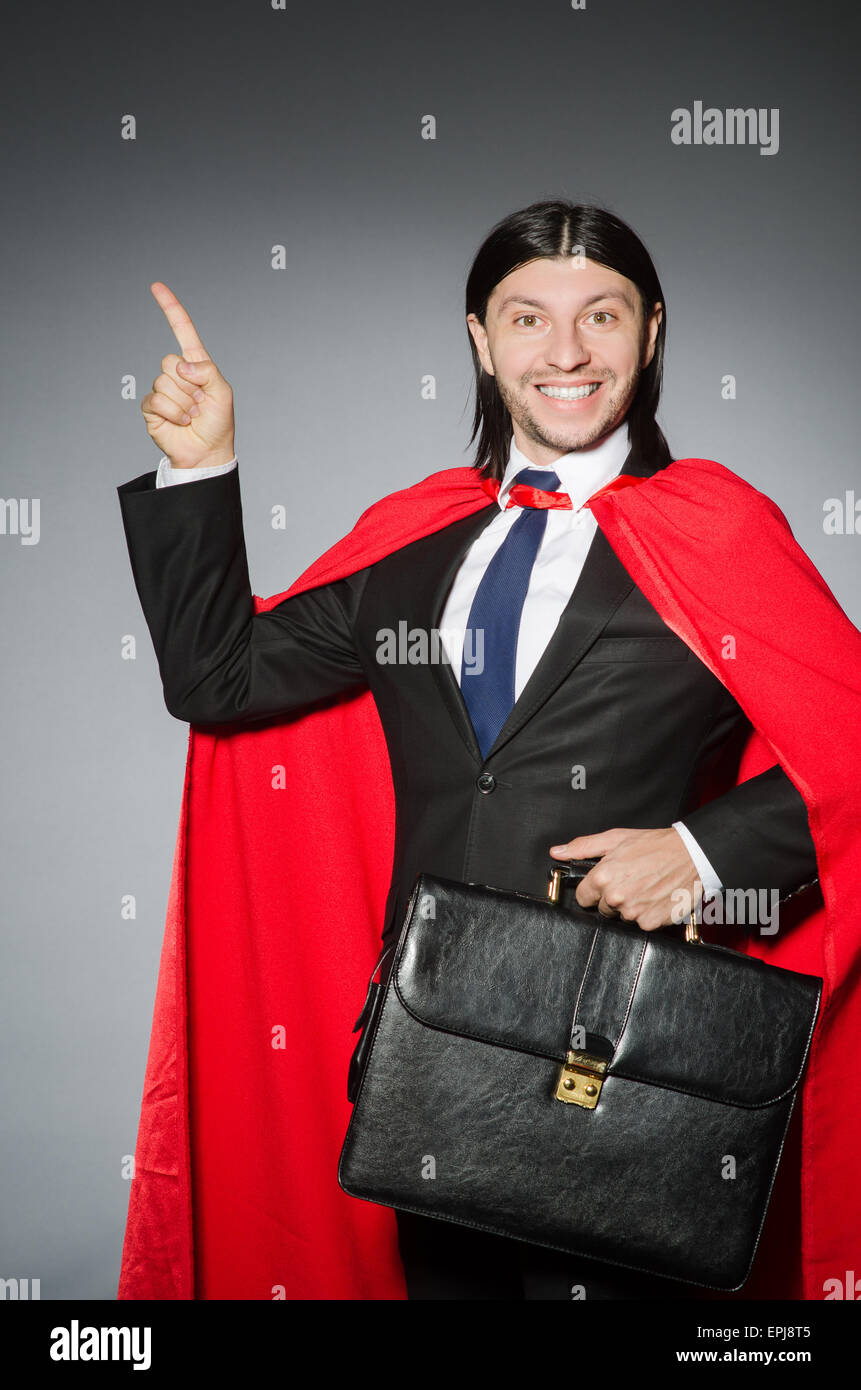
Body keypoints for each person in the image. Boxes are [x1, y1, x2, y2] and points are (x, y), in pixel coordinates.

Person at [117, 201, 840, 1302]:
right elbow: (220, 679)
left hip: (636, 1065)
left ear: (650, 331)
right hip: (432, 1059)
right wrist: (203, 471)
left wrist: (699, 851)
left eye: (599, 316)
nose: (565, 352)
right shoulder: (417, 543)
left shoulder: (717, 530)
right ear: (480, 341)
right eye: (527, 318)